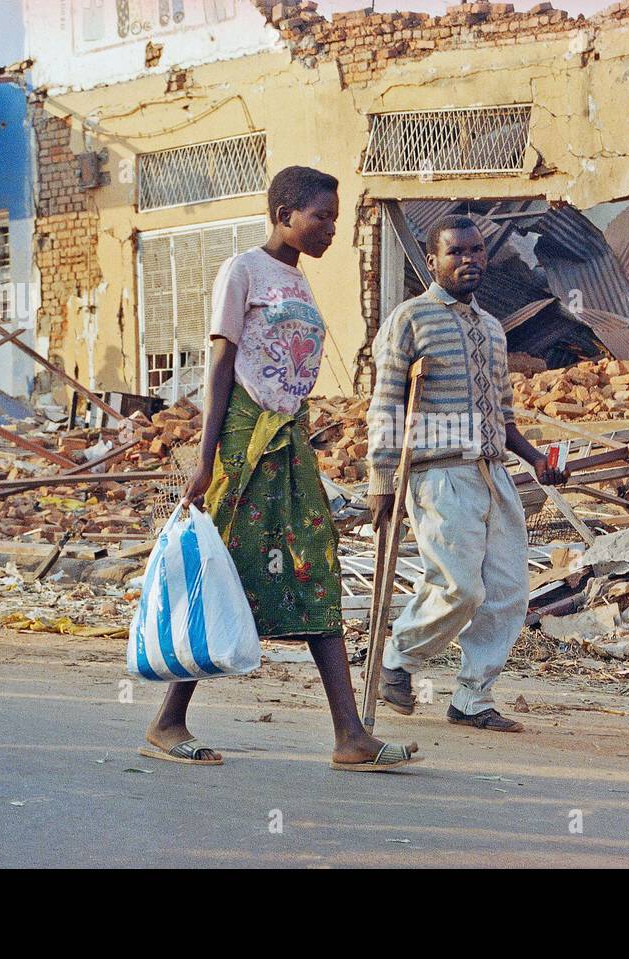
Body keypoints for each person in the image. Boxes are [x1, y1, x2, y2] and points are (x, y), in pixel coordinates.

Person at [141, 166, 420, 772]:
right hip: (244, 438)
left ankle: (350, 734)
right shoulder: (241, 270)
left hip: (288, 440)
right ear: (284, 213)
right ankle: (168, 720)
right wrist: (205, 458)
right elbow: (221, 367)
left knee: (314, 561)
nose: (330, 229)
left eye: (335, 219)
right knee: (228, 567)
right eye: (321, 216)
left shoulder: (296, 280)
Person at [367, 215, 567, 733]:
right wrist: (381, 482)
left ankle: (473, 698)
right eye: (456, 252)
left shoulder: (493, 329)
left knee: (506, 591)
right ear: (432, 261)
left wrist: (534, 458)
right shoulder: (410, 319)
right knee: (461, 588)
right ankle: (397, 658)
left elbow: (503, 415)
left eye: (477, 250)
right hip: (439, 475)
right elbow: (387, 405)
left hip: (492, 472)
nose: (470, 260)